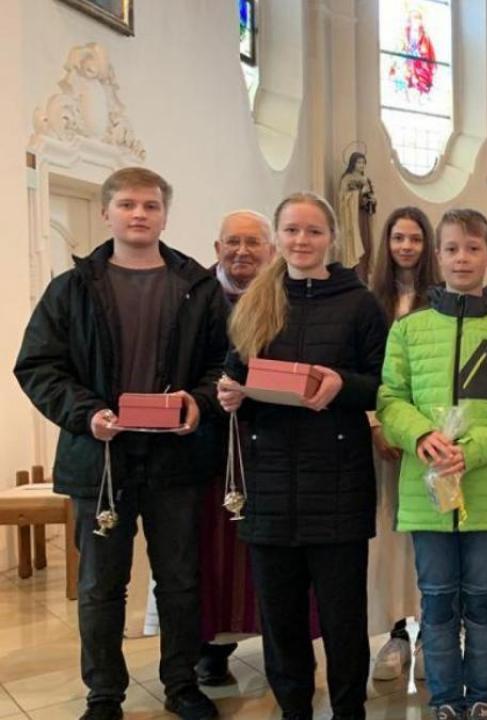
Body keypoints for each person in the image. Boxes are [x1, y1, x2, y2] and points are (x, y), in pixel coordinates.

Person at [14, 167, 226, 720]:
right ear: (107, 212)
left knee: (179, 580)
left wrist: (197, 403)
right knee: (100, 585)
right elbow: (37, 365)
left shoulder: (197, 286)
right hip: (100, 456)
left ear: (164, 214)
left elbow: (223, 364)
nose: (139, 214)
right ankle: (104, 695)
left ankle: (182, 685)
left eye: (150, 206)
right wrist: (87, 415)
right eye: (128, 204)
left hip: (177, 458)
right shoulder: (72, 287)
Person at [217, 192, 388, 720]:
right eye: (291, 231)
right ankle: (293, 709)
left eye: (312, 231)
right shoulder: (256, 302)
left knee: (342, 618)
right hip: (269, 482)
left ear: (331, 238)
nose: (301, 241)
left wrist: (344, 385)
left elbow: (384, 385)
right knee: (281, 619)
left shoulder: (360, 303)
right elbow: (234, 375)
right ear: (278, 238)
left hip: (337, 480)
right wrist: (229, 395)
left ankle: (348, 710)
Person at [378, 208, 487, 720]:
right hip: (426, 491)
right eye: (452, 248)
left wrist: (471, 451)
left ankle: (484, 695)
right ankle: (446, 699)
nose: (462, 258)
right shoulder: (409, 329)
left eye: (473, 249)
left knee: (481, 599)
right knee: (435, 600)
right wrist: (422, 435)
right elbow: (390, 399)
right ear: (439, 255)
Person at [197, 209, 276, 687]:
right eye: (233, 242)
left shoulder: (289, 296)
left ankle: (283, 646)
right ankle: (210, 648)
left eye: (253, 243)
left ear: (271, 252)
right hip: (209, 445)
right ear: (217, 248)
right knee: (212, 553)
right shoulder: (198, 295)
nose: (242, 251)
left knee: (272, 552)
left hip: (271, 444)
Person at [366, 207, 441, 682]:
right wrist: (376, 425)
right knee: (392, 535)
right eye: (398, 238)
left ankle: (433, 631)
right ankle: (396, 633)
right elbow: (370, 371)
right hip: (384, 435)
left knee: (430, 534)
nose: (407, 247)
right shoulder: (369, 300)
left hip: (432, 434)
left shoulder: (441, 298)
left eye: (415, 238)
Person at [337, 152, 377, 272]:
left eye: (364, 162)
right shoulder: (347, 179)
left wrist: (373, 200)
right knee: (355, 246)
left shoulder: (366, 179)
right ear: (353, 163)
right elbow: (343, 198)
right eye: (359, 162)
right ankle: (356, 275)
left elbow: (370, 197)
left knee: (367, 245)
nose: (362, 165)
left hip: (365, 216)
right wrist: (360, 193)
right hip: (353, 218)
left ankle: (364, 277)